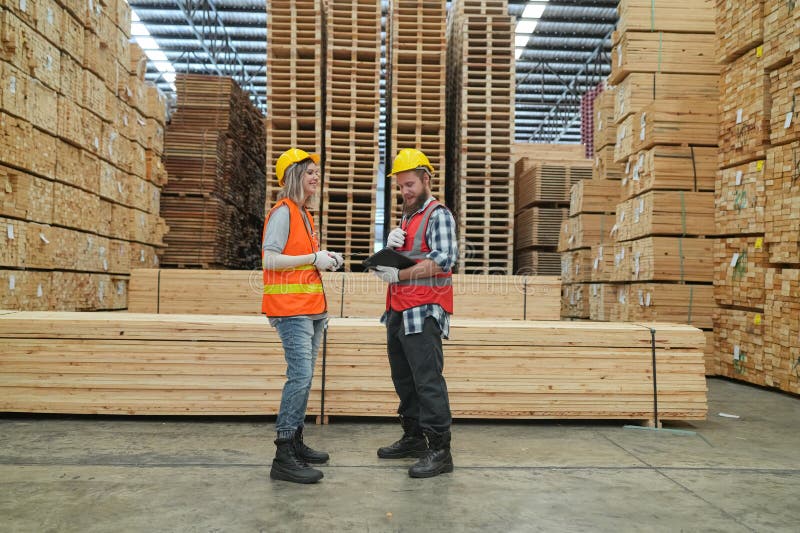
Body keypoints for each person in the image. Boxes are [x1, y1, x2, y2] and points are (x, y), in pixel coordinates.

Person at [371, 148, 458, 478]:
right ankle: (414, 438)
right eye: (400, 186)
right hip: (397, 310)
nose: (405, 191)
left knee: (427, 381)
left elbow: (442, 260)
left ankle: (440, 449)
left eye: (410, 185)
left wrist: (399, 275)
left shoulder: (439, 215)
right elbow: (409, 257)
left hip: (422, 312)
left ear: (426, 179)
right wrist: (388, 251)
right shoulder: (408, 217)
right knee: (404, 379)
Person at [261, 148, 343, 484]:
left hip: (310, 311)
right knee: (299, 376)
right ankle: (283, 453)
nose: (315, 177)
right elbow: (269, 259)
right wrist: (313, 257)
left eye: (316, 172)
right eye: (309, 172)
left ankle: (295, 442)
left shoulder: (304, 214)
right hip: (291, 311)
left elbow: (304, 260)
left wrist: (325, 260)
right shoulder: (283, 212)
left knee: (304, 378)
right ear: (293, 175)